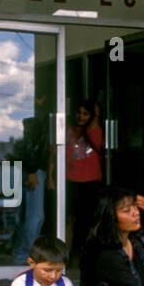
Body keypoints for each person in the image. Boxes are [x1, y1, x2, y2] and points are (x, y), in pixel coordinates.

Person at [10, 89, 54, 264]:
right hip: (33, 170)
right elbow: (32, 145)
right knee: (34, 216)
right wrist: (32, 171)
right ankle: (24, 254)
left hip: (30, 169)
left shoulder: (32, 116)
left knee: (29, 215)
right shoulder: (37, 118)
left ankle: (21, 251)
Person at [64, 99, 104, 264]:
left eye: (85, 113)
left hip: (90, 181)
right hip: (71, 180)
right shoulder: (68, 130)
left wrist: (95, 114)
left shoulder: (93, 130)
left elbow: (97, 141)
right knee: (69, 220)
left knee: (87, 221)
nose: (81, 116)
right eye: (78, 112)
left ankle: (87, 257)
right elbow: (56, 154)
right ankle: (66, 256)